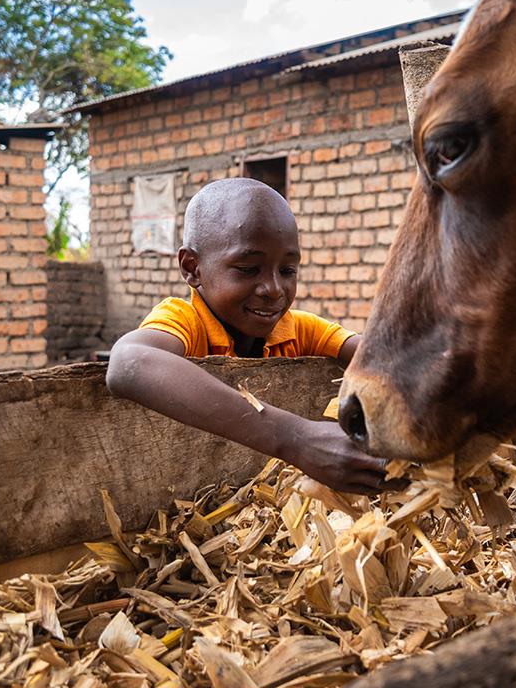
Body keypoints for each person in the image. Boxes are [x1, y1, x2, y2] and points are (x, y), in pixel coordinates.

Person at [106, 177, 392, 495]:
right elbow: (127, 363)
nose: (273, 289)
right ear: (192, 268)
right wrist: (296, 438)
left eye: (287, 271)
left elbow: (380, 358)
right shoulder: (186, 321)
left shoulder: (299, 330)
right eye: (248, 269)